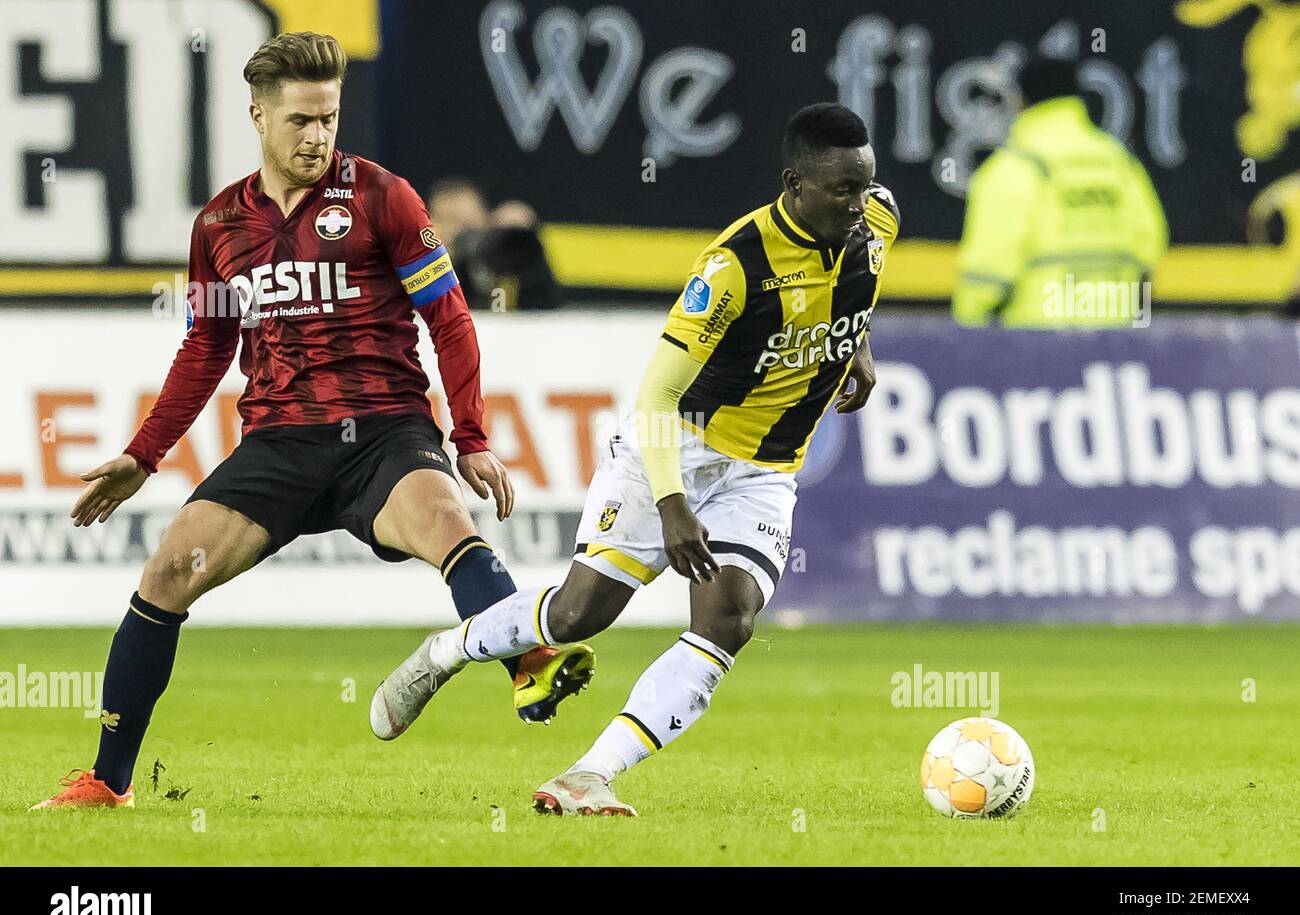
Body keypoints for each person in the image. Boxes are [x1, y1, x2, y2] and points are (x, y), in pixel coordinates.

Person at [32, 32, 593, 811]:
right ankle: (108, 782)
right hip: (280, 440)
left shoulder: (383, 196)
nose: (317, 136)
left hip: (385, 427)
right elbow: (206, 346)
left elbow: (451, 318)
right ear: (258, 115)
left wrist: (468, 436)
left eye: (328, 118)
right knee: (165, 575)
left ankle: (527, 665)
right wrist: (143, 454)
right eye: (300, 120)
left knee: (445, 523)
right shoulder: (220, 225)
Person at [370, 103, 898, 816]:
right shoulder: (736, 265)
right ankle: (446, 652)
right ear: (794, 186)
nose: (858, 206)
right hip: (677, 445)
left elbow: (852, 285)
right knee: (581, 613)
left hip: (767, 470)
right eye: (842, 191)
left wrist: (854, 345)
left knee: (729, 621)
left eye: (865, 187)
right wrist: (674, 503)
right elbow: (656, 392)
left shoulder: (876, 223)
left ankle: (590, 773)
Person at [953, 57, 1168, 327]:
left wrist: (967, 325)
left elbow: (989, 267)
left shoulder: (1015, 166)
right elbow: (1149, 242)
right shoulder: (1118, 162)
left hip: (1033, 341)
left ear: (1020, 100)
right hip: (1113, 338)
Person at [428, 178, 564, 311]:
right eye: (448, 221)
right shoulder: (421, 262)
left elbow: (548, 304)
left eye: (467, 224)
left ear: (487, 220)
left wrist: (519, 239)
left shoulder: (505, 257)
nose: (460, 233)